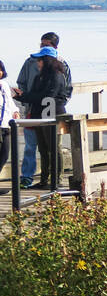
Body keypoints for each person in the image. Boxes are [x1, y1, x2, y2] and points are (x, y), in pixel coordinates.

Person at [13, 32, 69, 189]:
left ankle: (56, 179)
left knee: (53, 147)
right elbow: (38, 96)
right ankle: (44, 179)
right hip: (39, 112)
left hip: (52, 111)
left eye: (39, 59)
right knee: (43, 148)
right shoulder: (40, 76)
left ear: (47, 60)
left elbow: (48, 97)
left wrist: (26, 96)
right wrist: (22, 96)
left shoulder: (57, 76)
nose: (37, 62)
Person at [0, 59, 11, 177]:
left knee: (4, 155)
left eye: (1, 69)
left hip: (6, 125)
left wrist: (16, 111)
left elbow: (9, 103)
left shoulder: (5, 85)